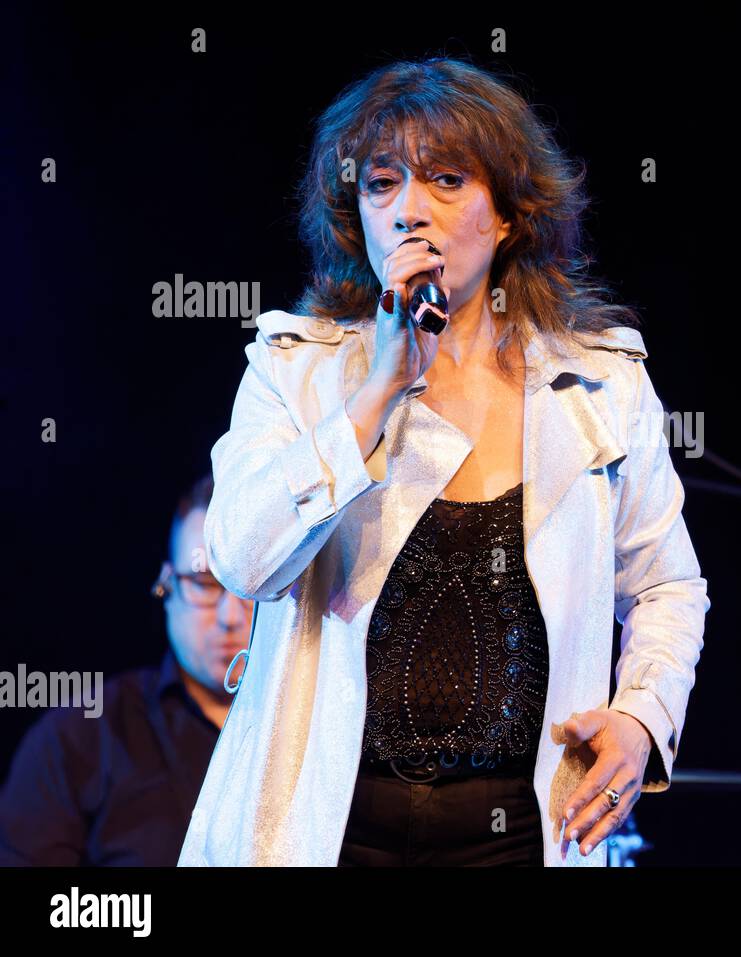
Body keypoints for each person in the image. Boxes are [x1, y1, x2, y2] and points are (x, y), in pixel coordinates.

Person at [178, 56, 710, 867]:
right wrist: (379, 390)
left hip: (522, 826)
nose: (410, 212)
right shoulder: (295, 370)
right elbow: (245, 560)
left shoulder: (598, 384)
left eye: (447, 180)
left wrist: (642, 717)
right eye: (383, 183)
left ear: (506, 215)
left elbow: (669, 584)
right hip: (331, 824)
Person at [0, 474, 253, 865]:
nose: (231, 616)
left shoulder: (335, 731)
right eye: (205, 583)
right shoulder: (79, 736)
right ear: (166, 586)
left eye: (255, 587)